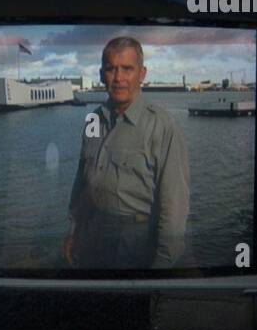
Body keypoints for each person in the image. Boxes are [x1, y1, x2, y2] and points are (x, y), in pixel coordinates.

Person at [65, 37, 190, 269]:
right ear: (102, 74)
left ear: (142, 74)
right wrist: (74, 231)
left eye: (127, 69)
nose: (119, 78)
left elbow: (175, 208)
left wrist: (162, 266)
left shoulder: (162, 126)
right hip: (92, 236)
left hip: (135, 244)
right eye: (111, 69)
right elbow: (82, 182)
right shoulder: (93, 119)